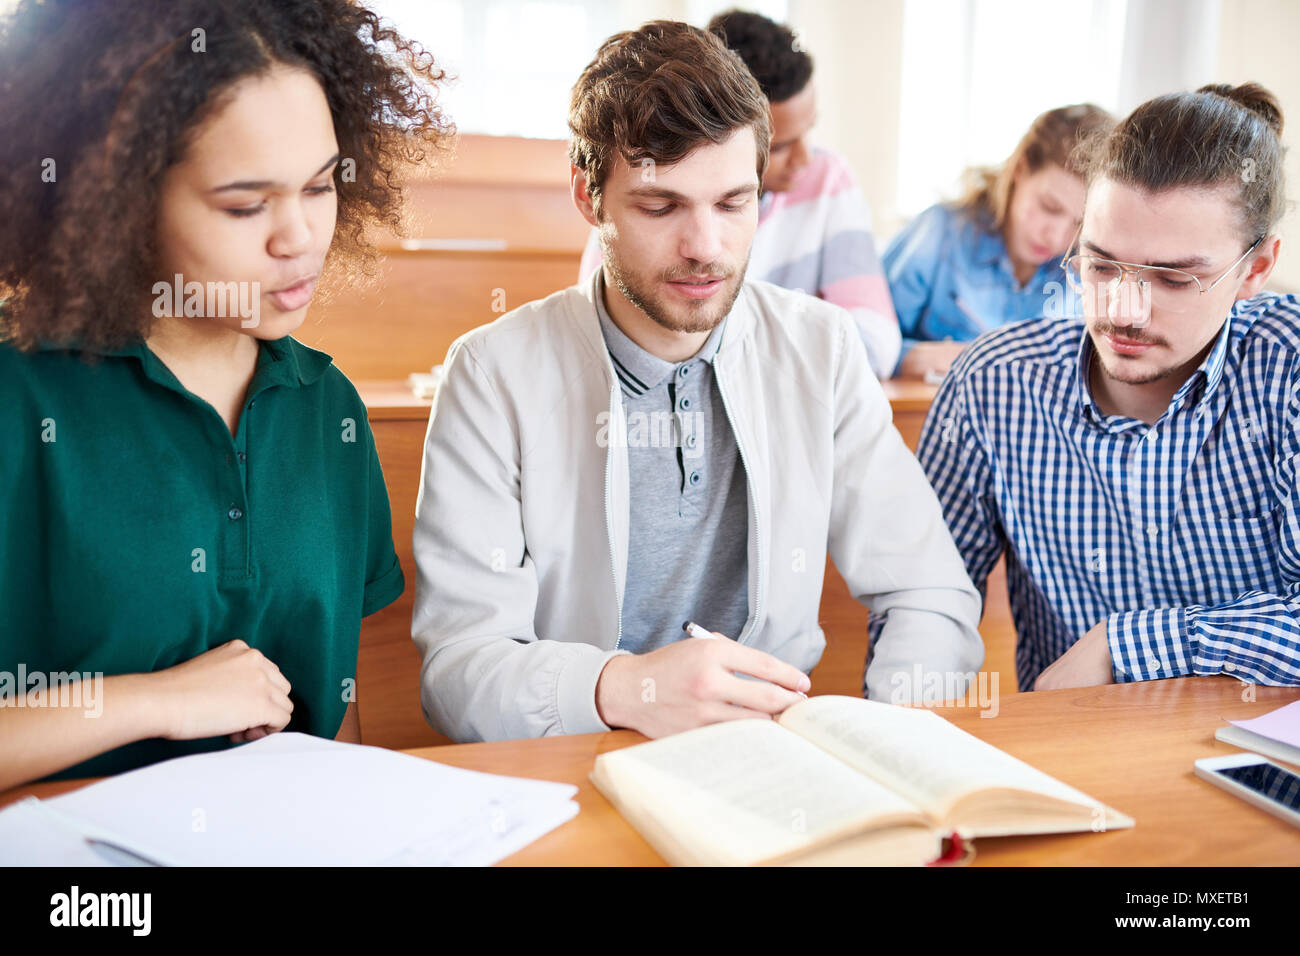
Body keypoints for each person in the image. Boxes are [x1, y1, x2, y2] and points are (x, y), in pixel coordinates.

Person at [411, 21, 981, 744]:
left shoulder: (822, 349)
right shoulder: (491, 373)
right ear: (590, 199)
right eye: (660, 206)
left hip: (771, 760)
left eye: (734, 203)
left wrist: (887, 740)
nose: (706, 249)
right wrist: (627, 690)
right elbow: (458, 671)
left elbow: (929, 591)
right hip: (571, 762)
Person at [0, 0, 452, 789]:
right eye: (245, 205)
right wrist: (158, 701)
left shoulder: (328, 409)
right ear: (122, 203)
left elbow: (334, 719)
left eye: (319, 188)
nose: (299, 238)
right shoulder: (20, 398)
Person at [916, 83, 1300, 691]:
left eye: (1174, 279)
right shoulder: (992, 383)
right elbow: (928, 597)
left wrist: (1122, 644)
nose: (1124, 311)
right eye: (1100, 265)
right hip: (1069, 763)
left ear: (1254, 269)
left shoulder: (1289, 368)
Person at [575, 9, 902, 379]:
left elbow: (872, 344)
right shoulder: (637, 188)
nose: (804, 159)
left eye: (732, 202)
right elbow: (616, 334)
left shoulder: (829, 178)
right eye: (780, 147)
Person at [886, 104, 1114, 380]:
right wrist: (908, 357)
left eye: (1080, 223)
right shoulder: (941, 234)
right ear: (1019, 169)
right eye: (1049, 207)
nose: (1056, 237)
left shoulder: (1085, 273)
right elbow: (861, 339)